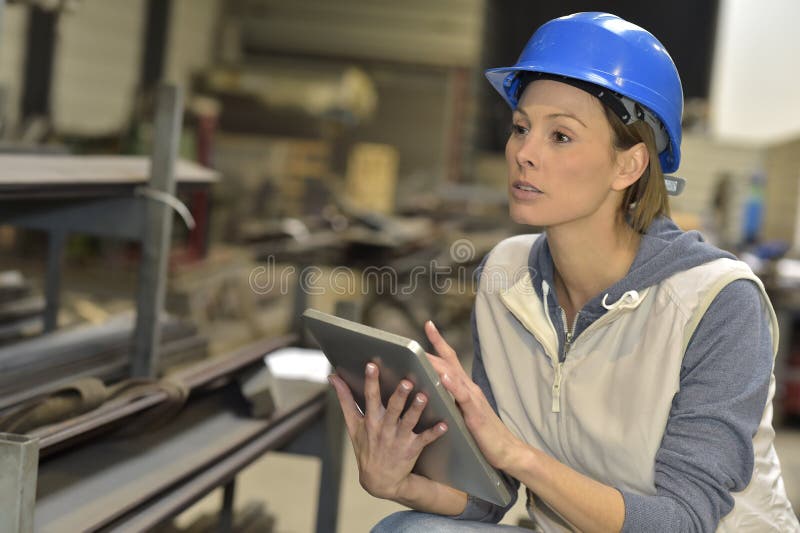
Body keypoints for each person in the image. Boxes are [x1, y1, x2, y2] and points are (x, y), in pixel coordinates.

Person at [327, 12, 800, 532]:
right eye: (521, 128)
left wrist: (518, 455)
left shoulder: (716, 302)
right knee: (404, 528)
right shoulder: (505, 278)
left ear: (629, 165)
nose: (524, 154)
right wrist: (399, 483)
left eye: (561, 136)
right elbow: (492, 494)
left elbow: (683, 522)